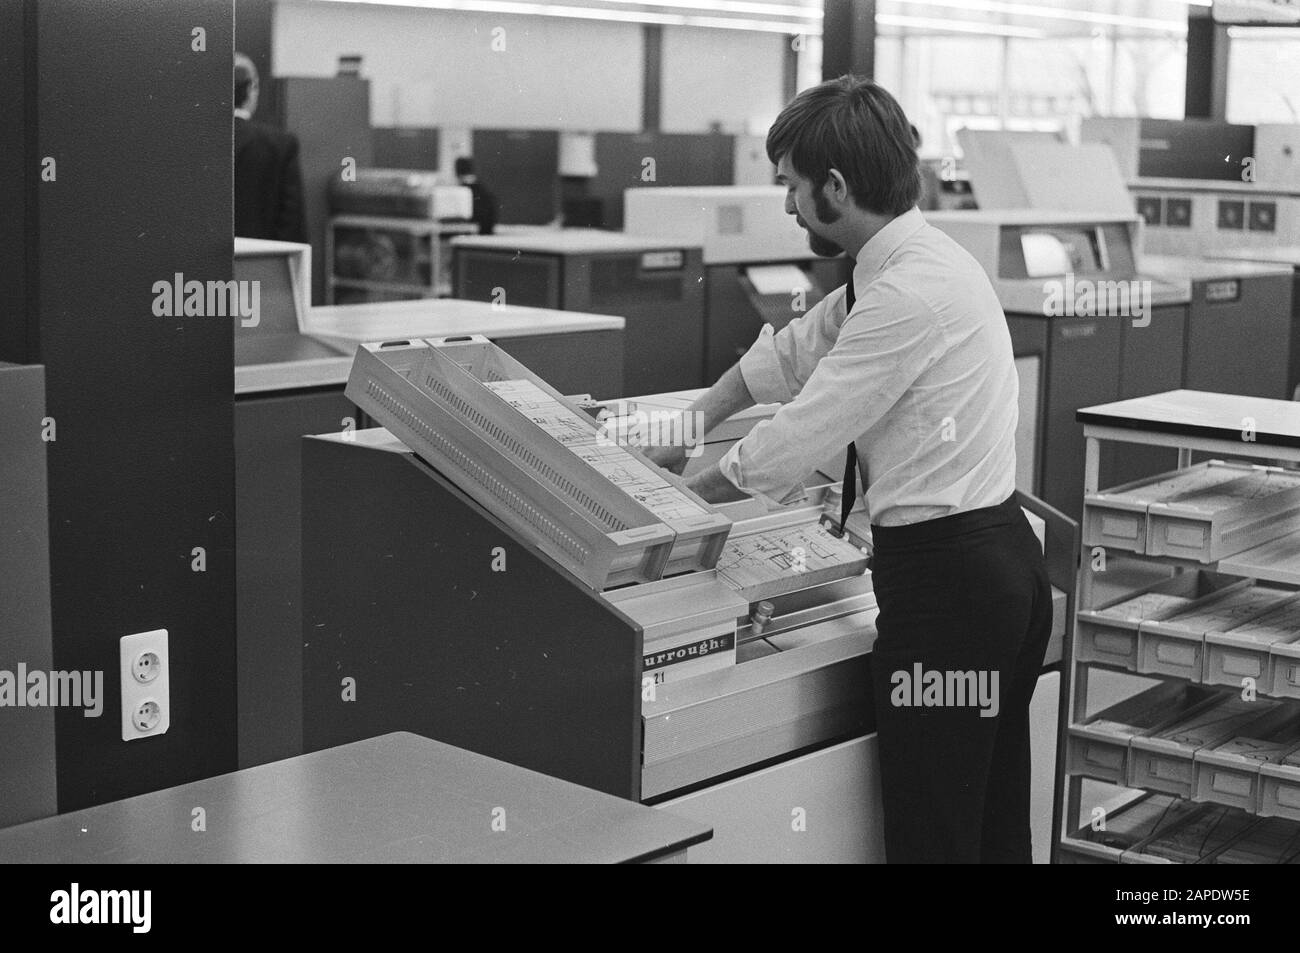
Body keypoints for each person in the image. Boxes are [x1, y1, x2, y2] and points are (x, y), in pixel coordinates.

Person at [644, 76, 1052, 864]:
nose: (790, 207)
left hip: (951, 602)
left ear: (835, 186)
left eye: (793, 186)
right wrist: (685, 425)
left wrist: (674, 513)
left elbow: (800, 433)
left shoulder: (910, 292)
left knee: (935, 832)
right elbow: (794, 354)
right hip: (990, 573)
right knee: (989, 822)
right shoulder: (899, 266)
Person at [233, 52, 307, 243]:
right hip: (261, 262)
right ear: (251, 88)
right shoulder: (281, 144)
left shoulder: (194, 144)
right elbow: (291, 221)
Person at [454, 156, 498, 236]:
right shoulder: (484, 191)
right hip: (485, 236)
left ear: (456, 172)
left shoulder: (461, 193)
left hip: (470, 236)